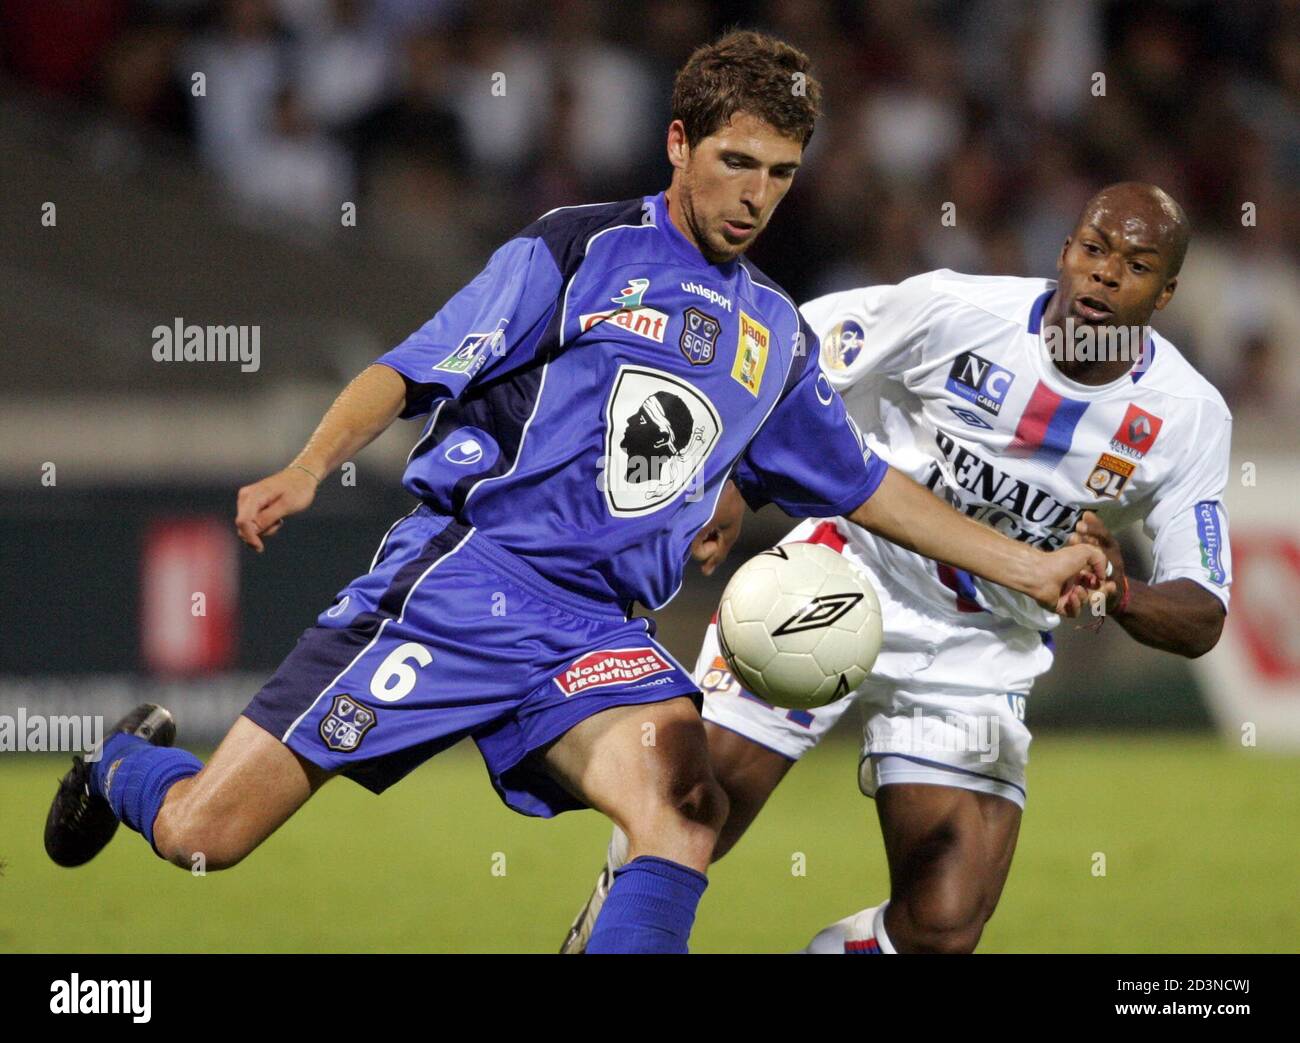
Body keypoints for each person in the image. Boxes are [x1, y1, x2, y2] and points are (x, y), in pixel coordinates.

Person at [44, 31, 1103, 955]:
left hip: (592, 627)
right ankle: (126, 764)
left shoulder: (772, 333)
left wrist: (1030, 562)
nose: (755, 194)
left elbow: (865, 485)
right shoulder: (578, 247)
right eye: (735, 162)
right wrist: (306, 465)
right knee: (204, 837)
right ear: (679, 146)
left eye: (779, 172)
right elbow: (410, 368)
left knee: (685, 812)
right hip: (461, 584)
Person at [562, 183, 1230, 954]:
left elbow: (1202, 611)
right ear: (1065, 252)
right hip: (843, 576)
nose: (1105, 275)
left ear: (1167, 291)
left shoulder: (1186, 416)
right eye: (1093, 249)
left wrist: (1120, 592)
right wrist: (736, 478)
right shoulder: (954, 312)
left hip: (979, 648)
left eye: (1137, 264)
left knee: (942, 926)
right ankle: (616, 910)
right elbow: (781, 347)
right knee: (690, 808)